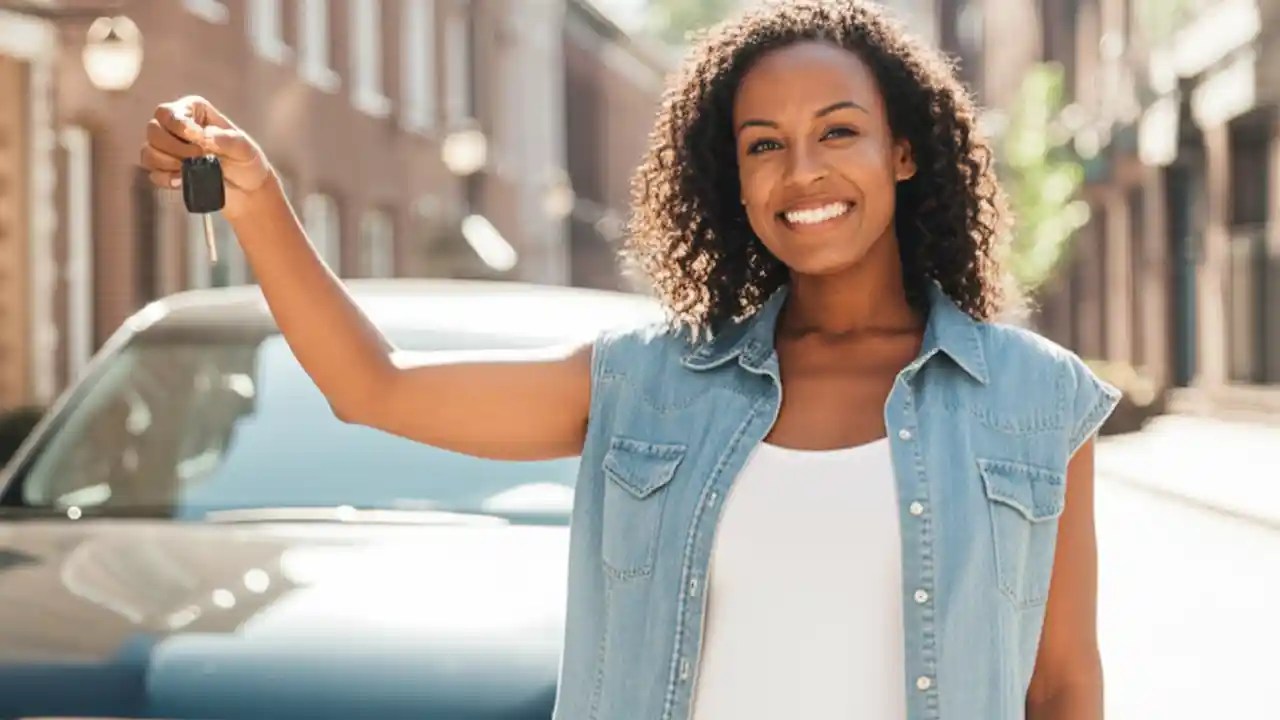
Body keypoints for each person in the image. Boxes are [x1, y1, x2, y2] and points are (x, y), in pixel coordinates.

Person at [139, 1, 1120, 718]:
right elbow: (372, 388)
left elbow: (1062, 685)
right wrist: (258, 203)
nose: (802, 171)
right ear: (732, 178)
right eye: (763, 145)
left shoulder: (1033, 400)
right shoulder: (648, 387)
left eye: (838, 132)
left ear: (901, 154)